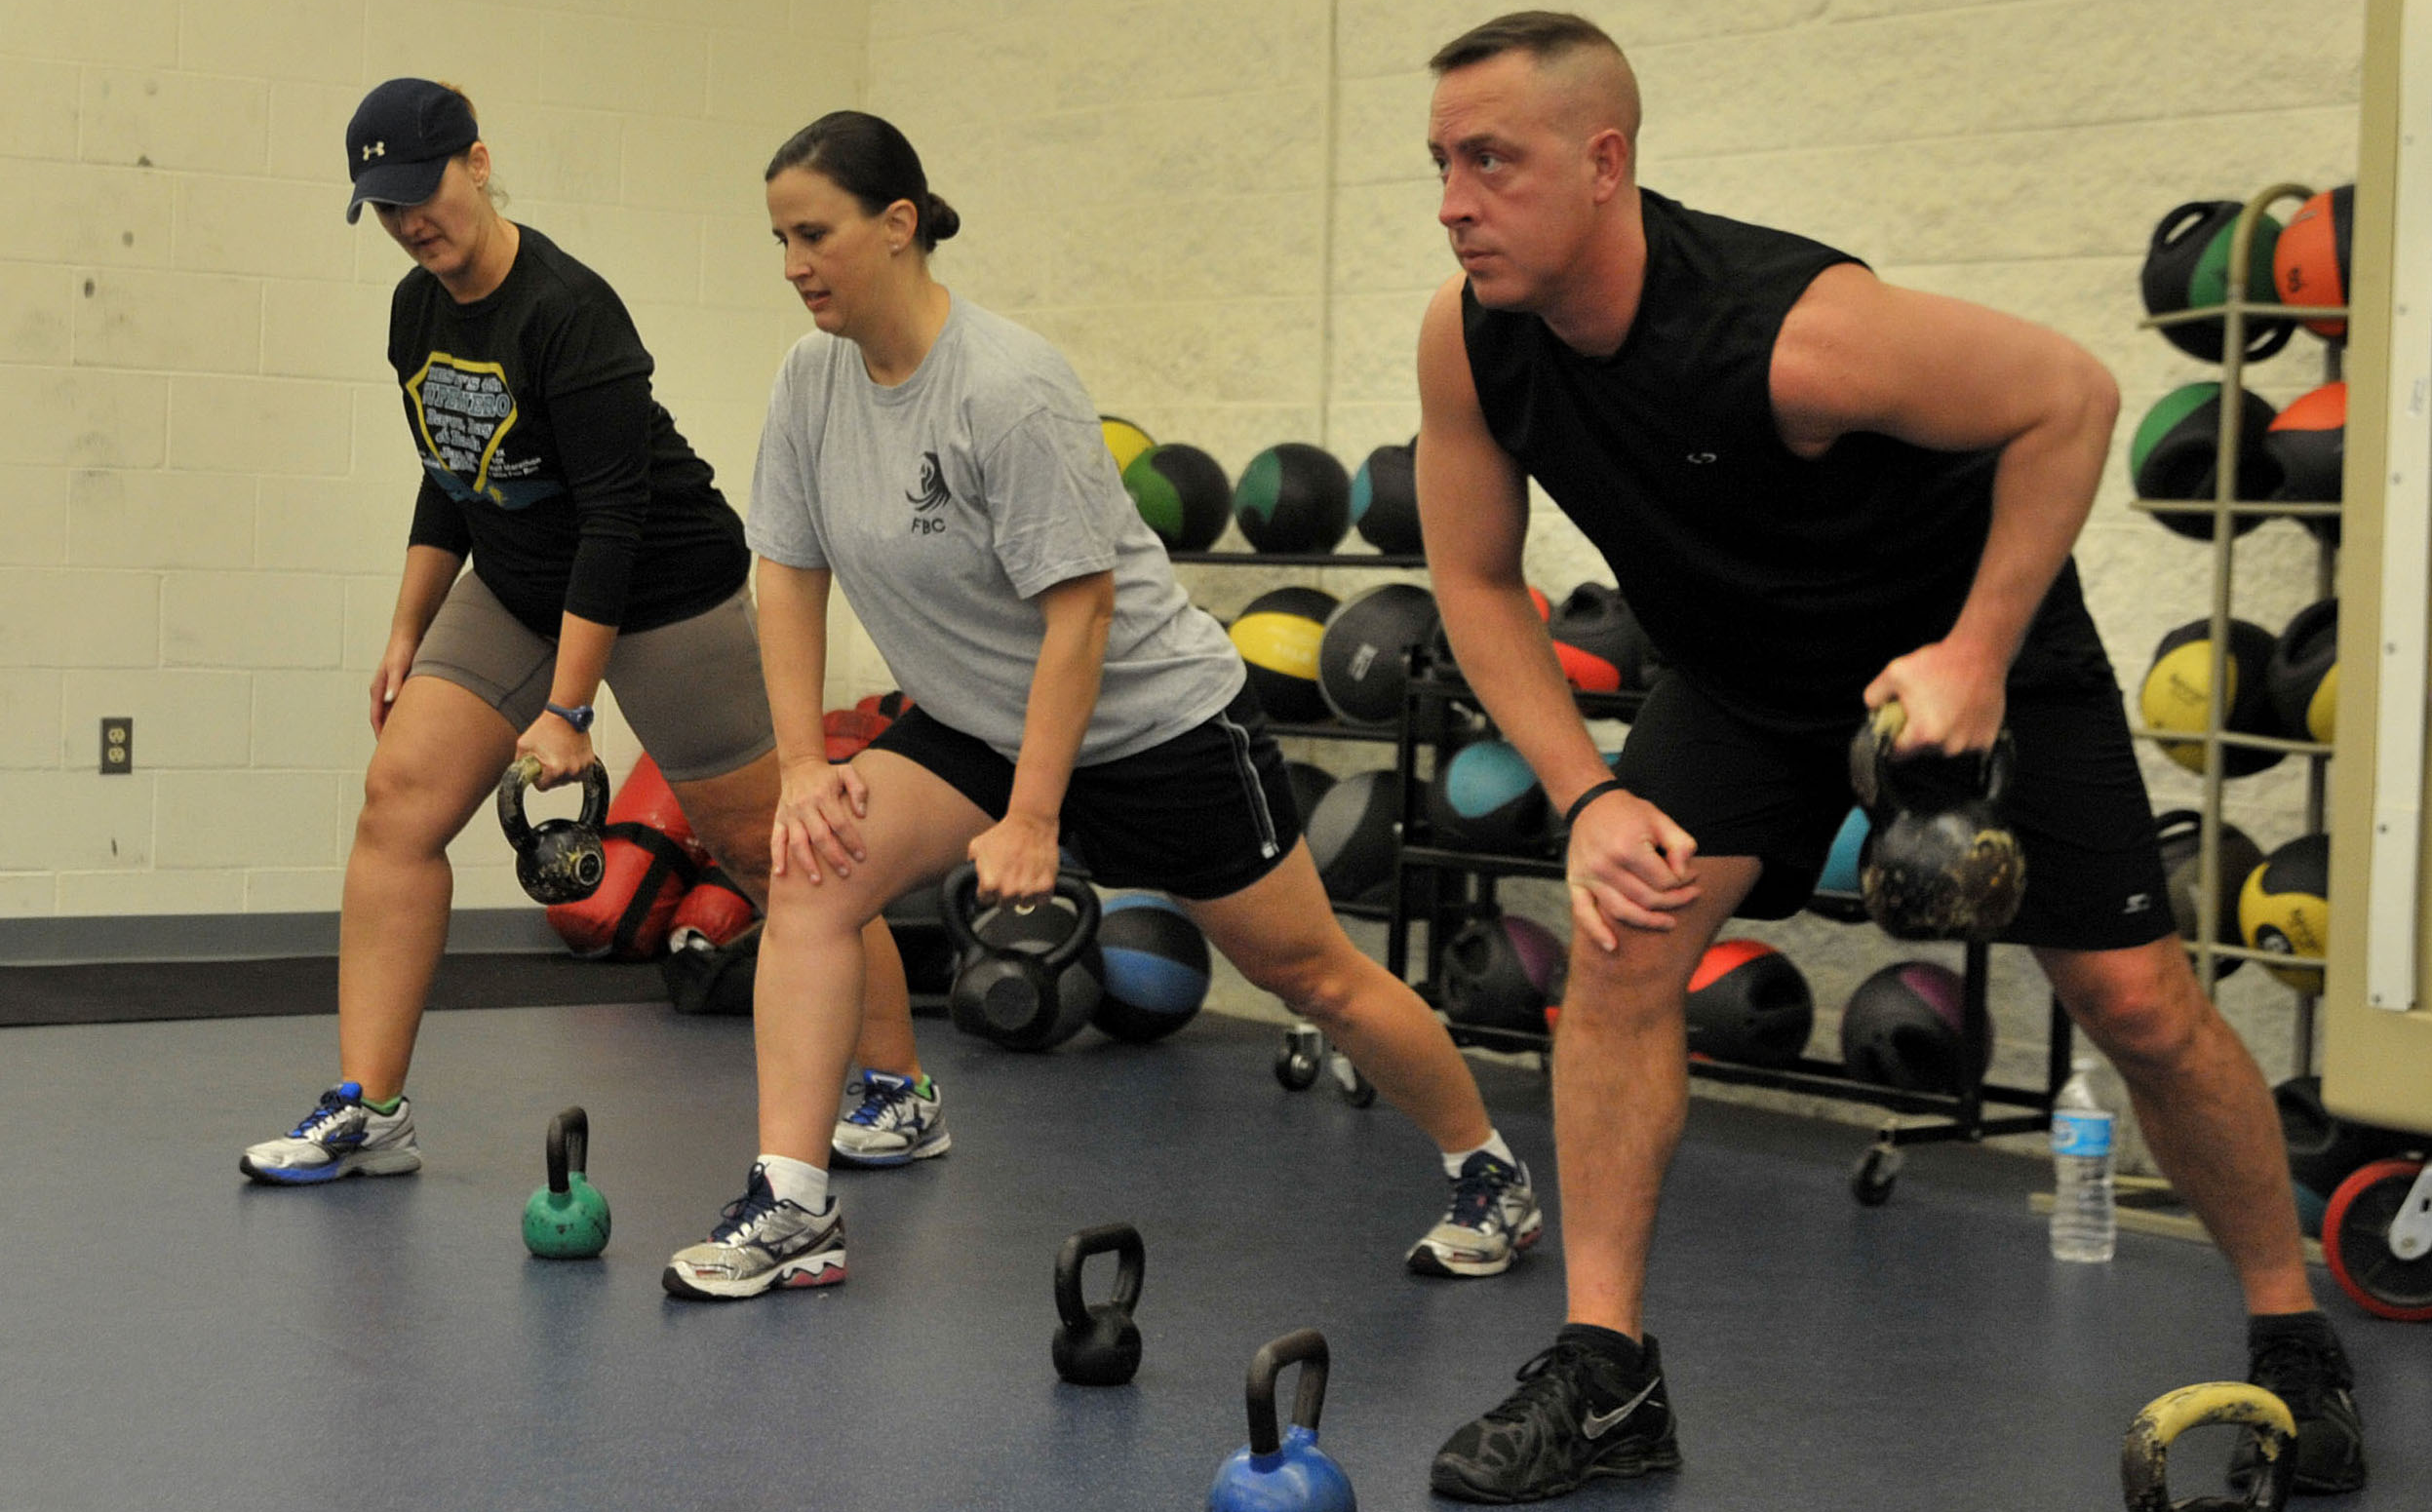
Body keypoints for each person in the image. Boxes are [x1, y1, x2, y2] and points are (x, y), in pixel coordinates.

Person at [1413, 12, 2365, 1504]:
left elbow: (2069, 396)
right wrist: (1585, 795)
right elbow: (1473, 580)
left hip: (1958, 656)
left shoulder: (1792, 328)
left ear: (1603, 163)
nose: (1456, 200)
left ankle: (2289, 1327)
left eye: (1491, 161)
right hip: (1736, 675)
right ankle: (1606, 1374)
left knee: (2136, 1001)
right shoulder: (1469, 338)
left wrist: (1976, 653)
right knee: (1615, 947)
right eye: (1440, 165)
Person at [660, 109, 1535, 1299]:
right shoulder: (810, 383)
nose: (792, 265)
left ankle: (1485, 1169)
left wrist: (1032, 817)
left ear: (899, 225)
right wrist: (804, 765)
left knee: (1312, 974)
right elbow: (788, 573)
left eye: (812, 233)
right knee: (813, 867)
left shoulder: (1007, 388)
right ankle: (795, 1202)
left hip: (1156, 728)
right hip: (972, 718)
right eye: (779, 239)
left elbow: (1080, 616)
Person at [238, 77, 793, 1182]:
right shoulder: (417, 307)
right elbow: (454, 471)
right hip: (518, 576)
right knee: (398, 801)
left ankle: (894, 1087)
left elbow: (615, 518)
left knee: (777, 856)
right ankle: (371, 1109)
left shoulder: (566, 309)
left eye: (423, 191)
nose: (410, 222)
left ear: (478, 163)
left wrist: (568, 709)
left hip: (663, 582)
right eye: (385, 206)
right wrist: (407, 626)